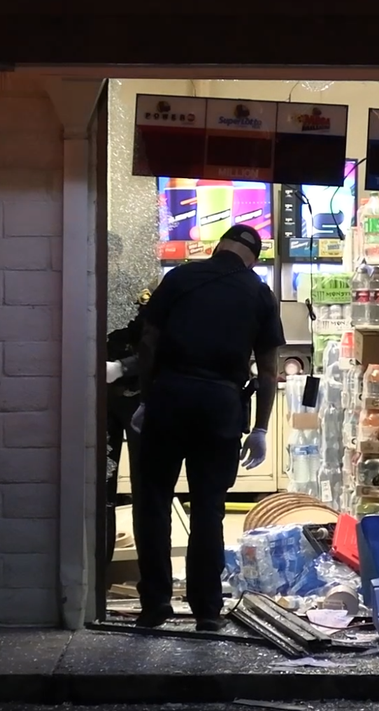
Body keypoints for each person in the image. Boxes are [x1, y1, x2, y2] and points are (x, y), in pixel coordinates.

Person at [131, 224, 284, 630]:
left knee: (153, 503)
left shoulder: (178, 277)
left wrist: (148, 398)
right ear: (253, 256)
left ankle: (154, 606)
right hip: (220, 405)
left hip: (170, 395)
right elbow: (269, 372)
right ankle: (207, 611)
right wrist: (261, 428)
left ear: (219, 248)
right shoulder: (259, 293)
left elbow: (148, 342)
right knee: (208, 508)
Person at [102, 288, 152, 563]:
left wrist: (123, 366)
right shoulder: (94, 289)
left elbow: (158, 346)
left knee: (145, 489)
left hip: (138, 396)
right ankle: (100, 574)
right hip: (101, 398)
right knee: (101, 492)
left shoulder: (144, 297)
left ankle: (151, 578)